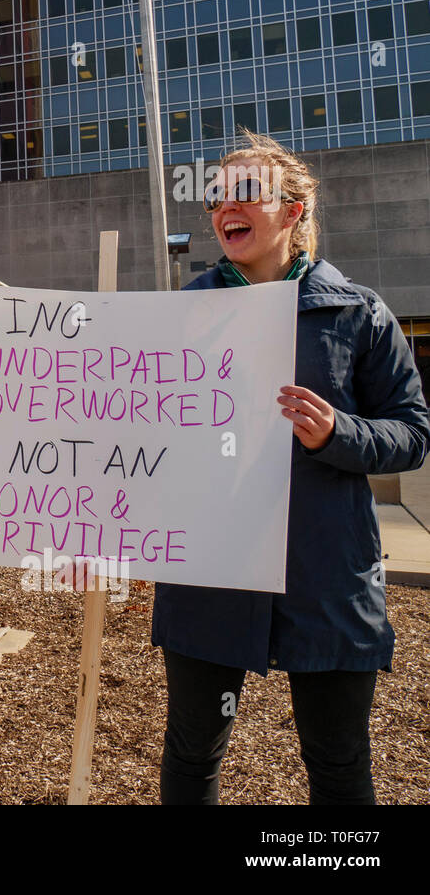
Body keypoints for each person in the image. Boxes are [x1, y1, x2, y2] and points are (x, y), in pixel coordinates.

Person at [151, 131, 430, 804]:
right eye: (218, 197)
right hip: (209, 579)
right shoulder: (177, 316)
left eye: (246, 193)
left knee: (337, 763)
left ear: (294, 211)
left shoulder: (359, 313)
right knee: (193, 754)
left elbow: (413, 433)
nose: (225, 208)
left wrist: (338, 433)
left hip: (326, 577)